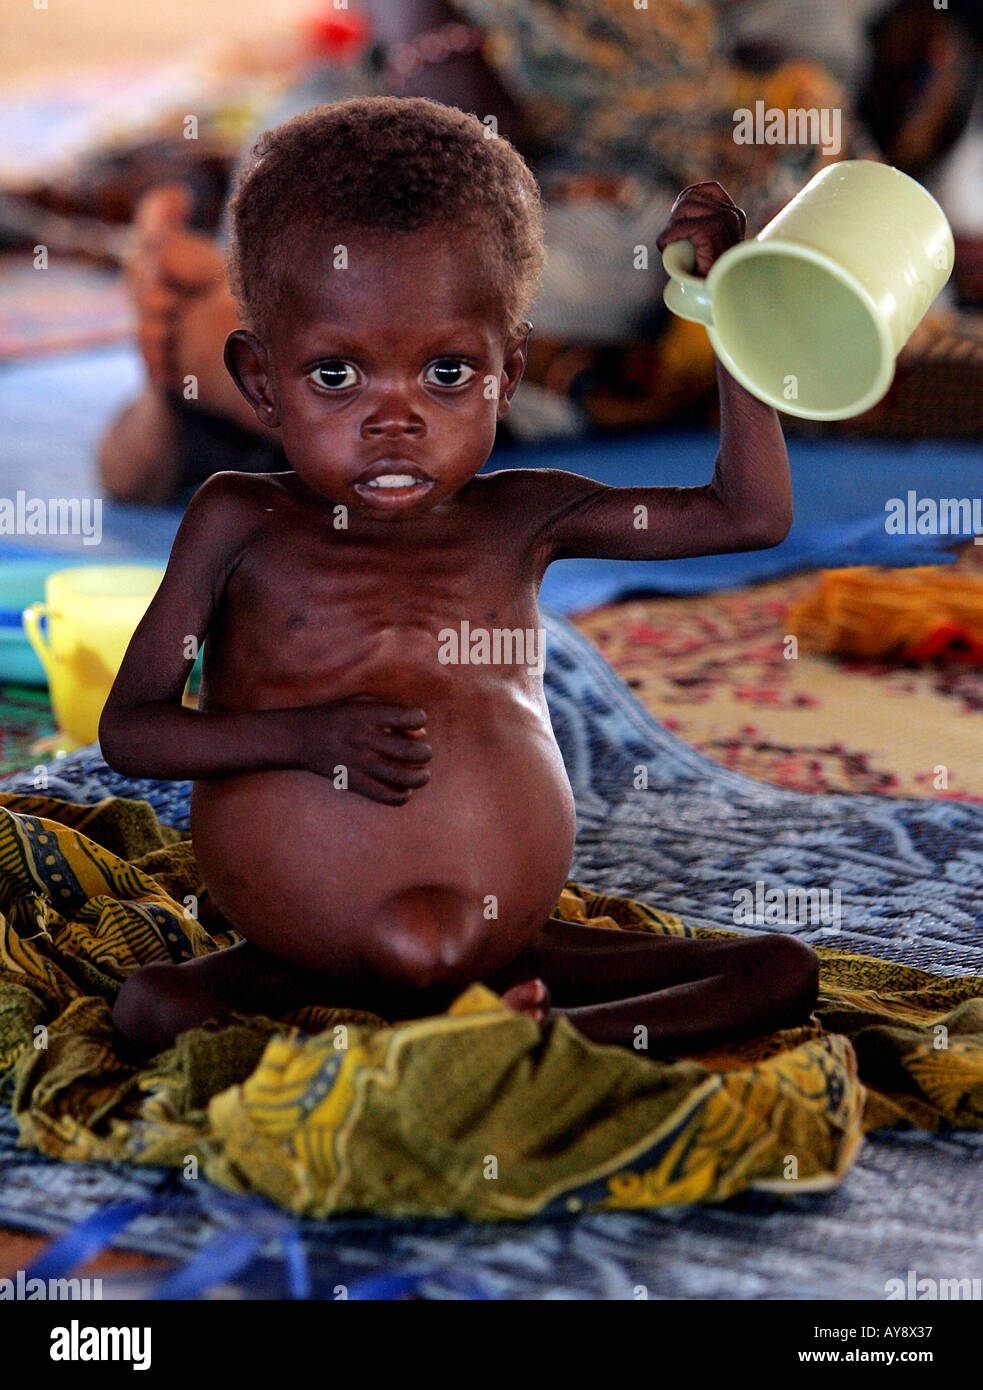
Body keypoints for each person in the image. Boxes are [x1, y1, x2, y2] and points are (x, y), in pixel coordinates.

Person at [99, 96, 819, 1055]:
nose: (393, 417)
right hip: (302, 956)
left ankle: (507, 1048)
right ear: (260, 378)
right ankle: (493, 1055)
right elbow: (132, 731)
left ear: (507, 372)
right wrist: (301, 738)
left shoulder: (524, 514)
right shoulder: (239, 517)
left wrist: (733, 308)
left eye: (445, 374)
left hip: (508, 944)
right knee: (153, 1009)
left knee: (779, 972)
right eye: (335, 376)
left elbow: (749, 513)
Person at [97, 0, 864, 501]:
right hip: (415, 94)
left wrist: (633, 81)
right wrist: (429, 38)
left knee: (635, 247)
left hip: (630, 161)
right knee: (296, 144)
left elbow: (806, 58)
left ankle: (268, 364)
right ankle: (249, 353)